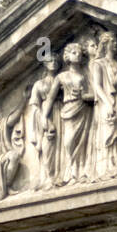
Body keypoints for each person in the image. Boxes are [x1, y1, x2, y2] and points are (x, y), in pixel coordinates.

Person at [43, 43, 94, 185]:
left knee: (83, 142)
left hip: (84, 110)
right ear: (67, 56)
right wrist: (44, 117)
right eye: (73, 52)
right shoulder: (61, 76)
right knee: (68, 142)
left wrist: (84, 96)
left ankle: (81, 173)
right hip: (68, 110)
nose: (77, 54)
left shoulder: (85, 76)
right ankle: (70, 171)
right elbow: (50, 98)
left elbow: (94, 95)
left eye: (79, 52)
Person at [88, 30, 117, 179]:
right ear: (105, 44)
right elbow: (97, 86)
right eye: (113, 41)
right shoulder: (98, 63)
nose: (116, 43)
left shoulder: (116, 63)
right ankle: (106, 169)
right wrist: (107, 103)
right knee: (108, 135)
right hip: (107, 103)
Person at [28, 56, 61, 189]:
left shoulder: (63, 79)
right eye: (49, 61)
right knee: (47, 149)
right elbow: (35, 106)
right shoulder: (39, 84)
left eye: (55, 60)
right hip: (46, 118)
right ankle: (48, 177)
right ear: (45, 64)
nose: (53, 62)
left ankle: (62, 175)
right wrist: (45, 121)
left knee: (62, 146)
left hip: (63, 114)